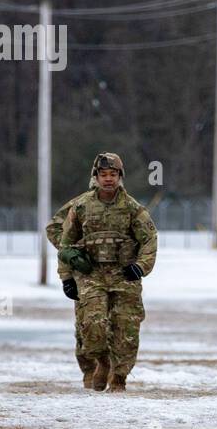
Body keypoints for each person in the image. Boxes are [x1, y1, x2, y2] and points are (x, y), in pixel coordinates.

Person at [58, 153, 158, 392]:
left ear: (120, 177)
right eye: (103, 175)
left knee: (126, 329)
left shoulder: (133, 208)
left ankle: (119, 379)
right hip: (91, 275)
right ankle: (101, 362)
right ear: (96, 177)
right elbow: (66, 244)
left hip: (124, 275)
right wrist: (67, 277)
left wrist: (140, 267)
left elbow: (149, 240)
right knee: (92, 323)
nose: (108, 179)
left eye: (113, 175)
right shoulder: (81, 206)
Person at [46, 190, 98, 388]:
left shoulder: (126, 204)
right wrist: (73, 254)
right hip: (85, 274)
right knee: (87, 323)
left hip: (117, 274)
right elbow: (54, 228)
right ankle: (89, 371)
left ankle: (111, 371)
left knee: (118, 323)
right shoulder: (80, 203)